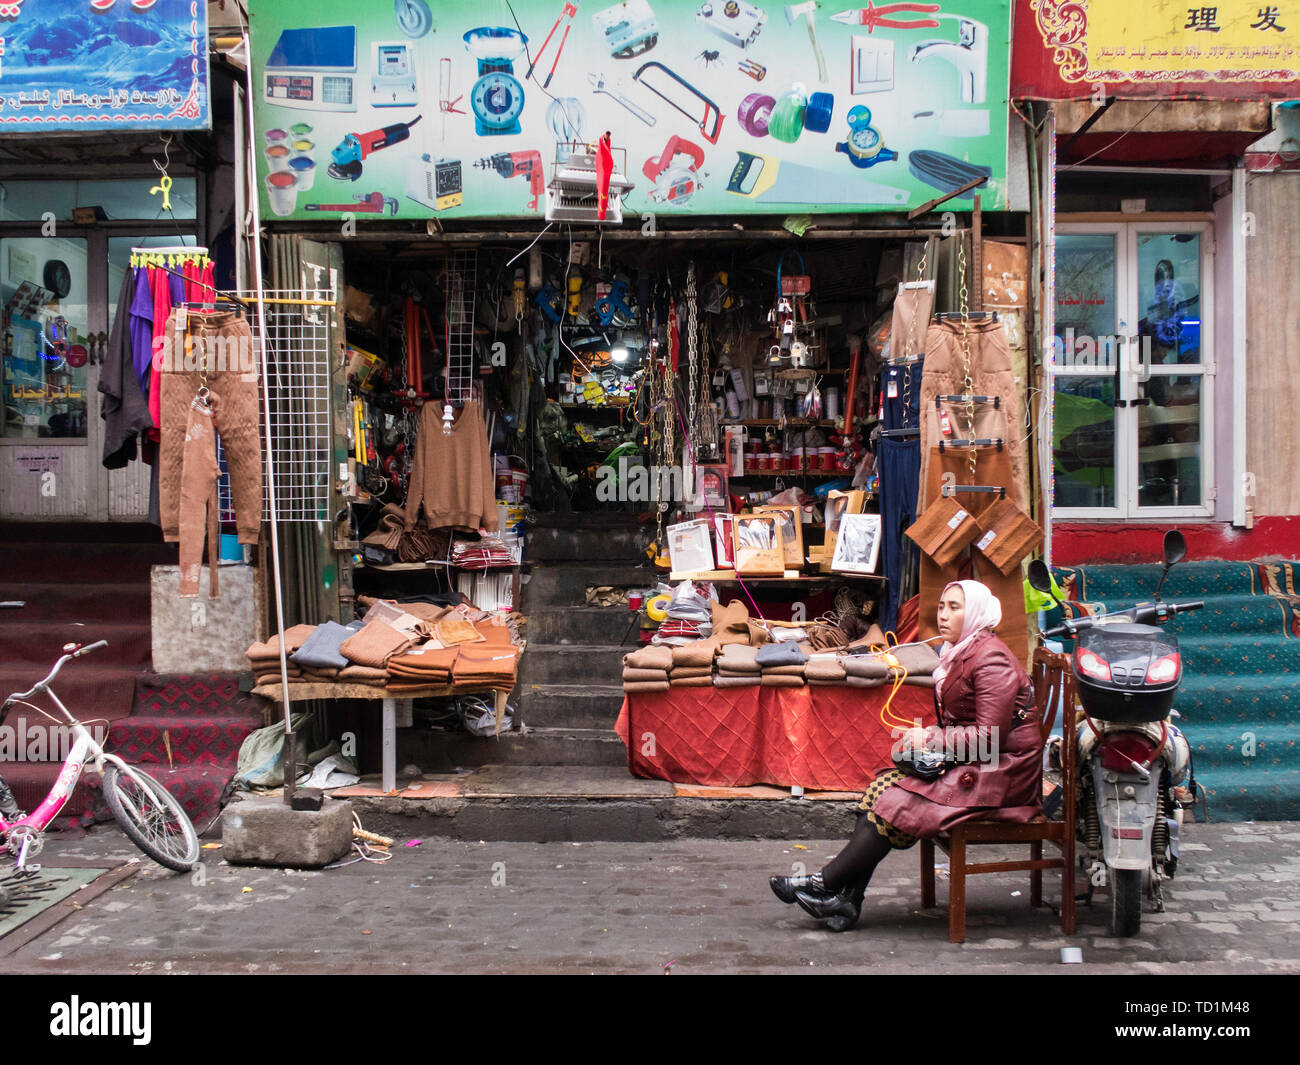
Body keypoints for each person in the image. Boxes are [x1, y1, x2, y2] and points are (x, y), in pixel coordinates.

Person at [769, 580, 1042, 931]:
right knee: (883, 786)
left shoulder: (991, 659)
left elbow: (988, 738)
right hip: (981, 762)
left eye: (954, 608)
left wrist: (931, 737)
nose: (943, 615)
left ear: (975, 612)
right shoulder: (964, 649)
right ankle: (846, 899)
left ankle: (825, 884)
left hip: (1005, 771)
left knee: (897, 799)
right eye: (941, 606)